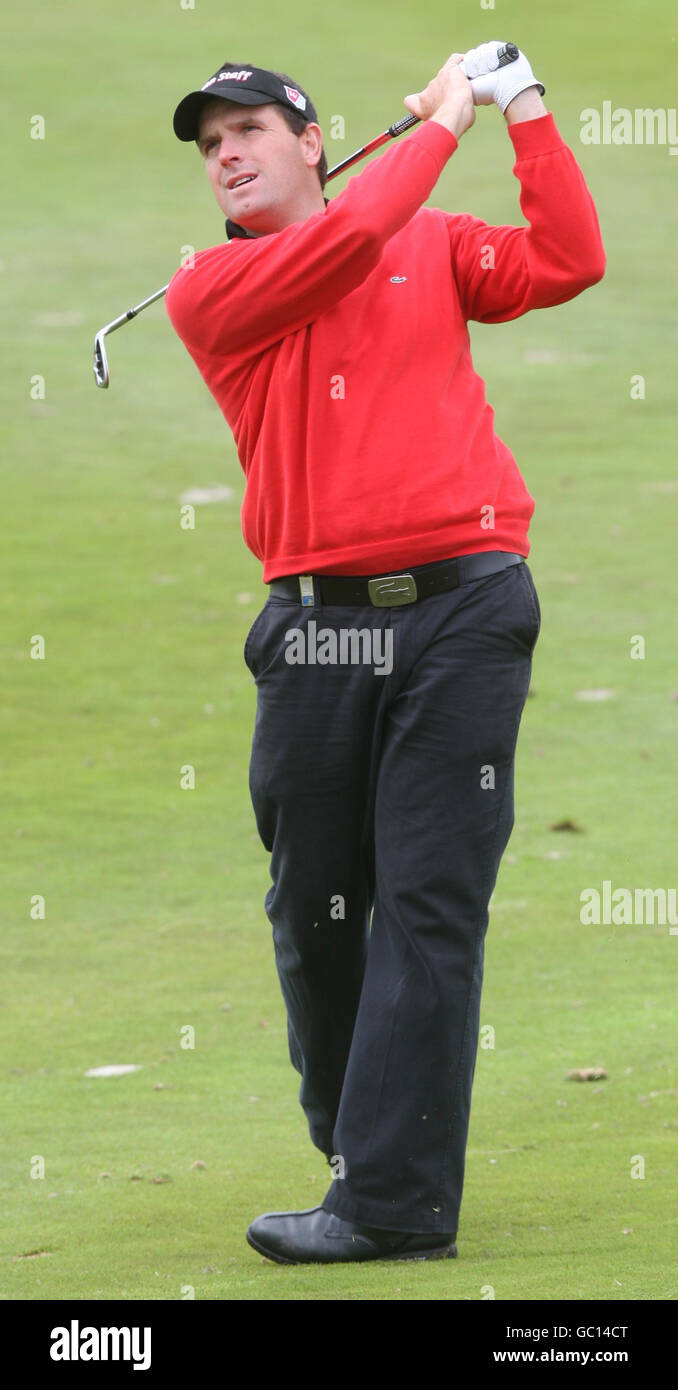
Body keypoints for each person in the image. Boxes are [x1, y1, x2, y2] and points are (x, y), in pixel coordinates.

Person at [167, 45, 605, 1264]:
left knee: (426, 899)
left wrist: (523, 107)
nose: (231, 155)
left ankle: (392, 1200)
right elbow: (350, 242)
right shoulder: (213, 284)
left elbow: (569, 259)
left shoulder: (430, 233)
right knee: (318, 908)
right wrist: (443, 126)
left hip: (467, 605)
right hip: (318, 625)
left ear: (314, 142)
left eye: (252, 129)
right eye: (211, 146)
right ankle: (360, 1133)